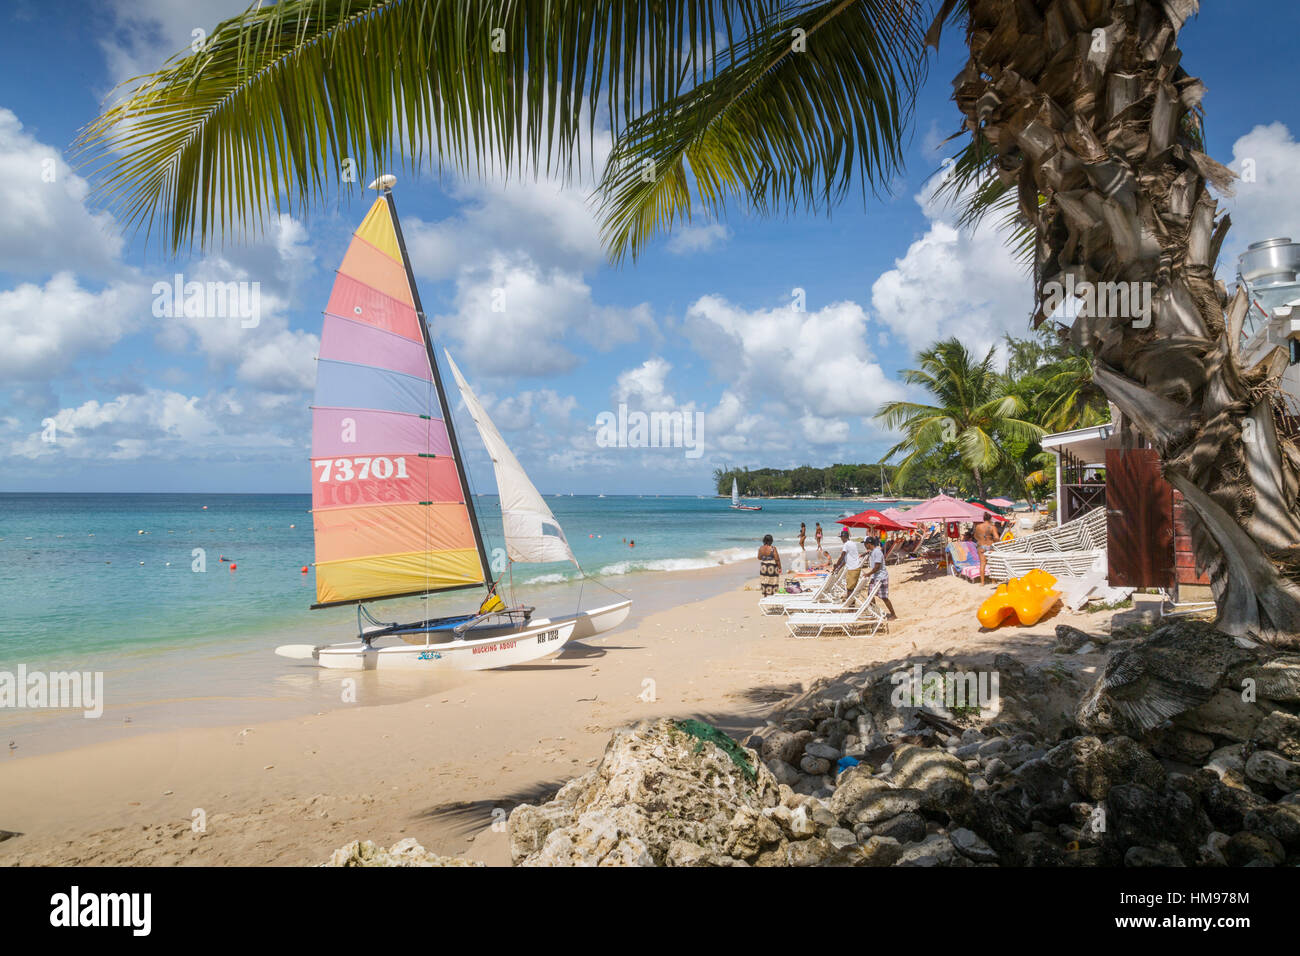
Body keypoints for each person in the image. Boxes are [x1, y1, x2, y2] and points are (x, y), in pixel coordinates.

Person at [864, 535, 897, 619]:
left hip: (881, 577)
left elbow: (877, 567)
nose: (864, 545)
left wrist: (868, 574)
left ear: (869, 544)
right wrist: (863, 554)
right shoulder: (872, 551)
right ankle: (875, 612)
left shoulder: (877, 552)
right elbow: (869, 553)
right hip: (875, 577)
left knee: (884, 597)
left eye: (865, 543)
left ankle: (893, 614)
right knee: (870, 595)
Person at [832, 527, 863, 599]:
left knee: (849, 589)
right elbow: (846, 559)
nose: (841, 539)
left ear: (844, 537)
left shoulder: (846, 544)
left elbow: (842, 556)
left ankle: (850, 605)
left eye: (841, 537)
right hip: (856, 567)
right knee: (851, 588)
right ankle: (851, 603)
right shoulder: (852, 543)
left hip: (853, 568)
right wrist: (839, 567)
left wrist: (836, 565)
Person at [972, 512, 997, 585]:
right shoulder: (992, 527)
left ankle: (982, 582)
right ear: (990, 519)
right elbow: (996, 537)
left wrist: (981, 539)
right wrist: (994, 540)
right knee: (992, 564)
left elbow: (975, 536)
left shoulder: (978, 526)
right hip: (990, 546)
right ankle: (993, 581)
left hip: (981, 546)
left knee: (982, 564)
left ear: (983, 519)